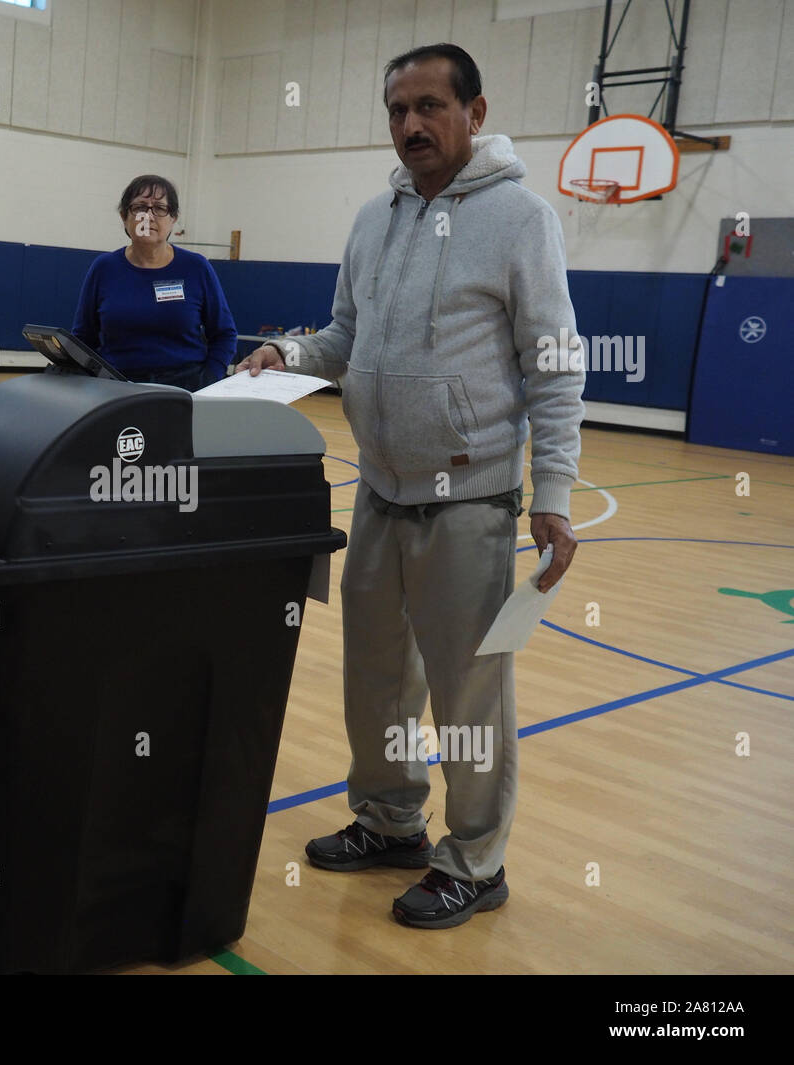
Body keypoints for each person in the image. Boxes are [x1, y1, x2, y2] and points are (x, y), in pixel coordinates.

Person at [237, 43, 584, 928]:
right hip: (379, 489)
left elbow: (553, 365)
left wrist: (555, 489)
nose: (411, 125)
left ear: (474, 111)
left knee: (468, 694)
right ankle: (391, 819)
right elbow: (346, 334)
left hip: (471, 499)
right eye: (397, 109)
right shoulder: (373, 217)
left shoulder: (520, 219)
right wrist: (295, 354)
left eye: (430, 106)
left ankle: (475, 857)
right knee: (379, 678)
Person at [72, 175, 237, 391]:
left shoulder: (196, 267)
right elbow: (83, 338)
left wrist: (210, 378)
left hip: (187, 387)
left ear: (173, 218)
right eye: (140, 207)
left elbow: (224, 333)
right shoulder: (104, 267)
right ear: (124, 217)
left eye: (159, 208)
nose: (148, 216)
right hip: (116, 387)